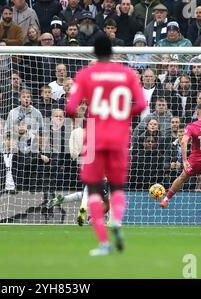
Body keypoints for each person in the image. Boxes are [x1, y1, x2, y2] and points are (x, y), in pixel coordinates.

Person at [65, 35, 147, 255]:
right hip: (120, 137)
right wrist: (123, 115)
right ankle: (116, 221)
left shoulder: (86, 75)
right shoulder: (127, 74)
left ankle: (103, 242)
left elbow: (71, 108)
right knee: (116, 188)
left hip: (95, 136)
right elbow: (142, 104)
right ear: (112, 51)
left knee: (93, 189)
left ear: (95, 52)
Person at [159, 103, 201, 227]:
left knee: (182, 177)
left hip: (195, 161)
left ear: (197, 111)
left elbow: (184, 142)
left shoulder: (192, 126)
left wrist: (184, 160)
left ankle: (166, 199)